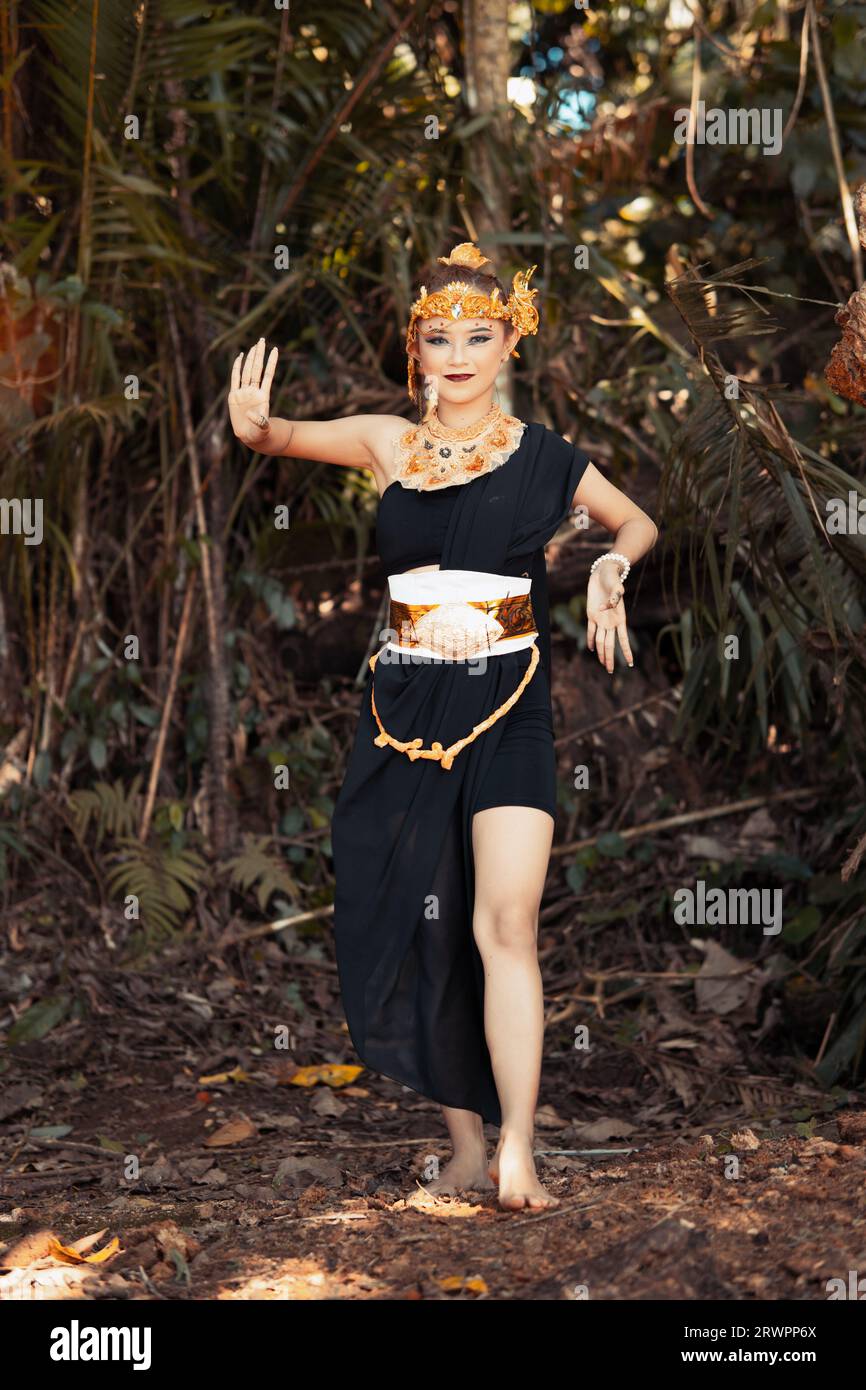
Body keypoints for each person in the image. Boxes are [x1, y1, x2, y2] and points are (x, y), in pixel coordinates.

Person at [228, 242, 658, 1211]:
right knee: (427, 927)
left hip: (509, 704)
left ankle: (516, 1153)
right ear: (413, 347)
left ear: (509, 342)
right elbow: (280, 437)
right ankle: (461, 1146)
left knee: (502, 921)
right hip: (405, 707)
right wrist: (253, 424)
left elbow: (634, 522)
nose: (456, 352)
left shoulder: (547, 455)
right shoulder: (386, 440)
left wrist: (606, 565)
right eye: (436, 337)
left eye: (477, 334)